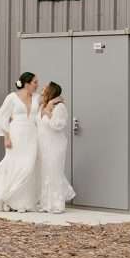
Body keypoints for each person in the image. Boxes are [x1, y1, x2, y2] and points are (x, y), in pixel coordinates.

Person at [0, 72, 40, 212]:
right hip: (16, 135)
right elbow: (1, 118)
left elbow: (41, 115)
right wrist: (7, 138)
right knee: (13, 165)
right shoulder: (12, 98)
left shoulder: (37, 98)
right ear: (27, 83)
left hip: (32, 136)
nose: (37, 85)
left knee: (29, 166)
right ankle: (7, 199)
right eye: (35, 82)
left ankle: (24, 201)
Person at [36, 81, 76, 213]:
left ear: (51, 90)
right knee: (45, 173)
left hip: (55, 145)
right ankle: (46, 204)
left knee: (54, 172)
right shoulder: (42, 105)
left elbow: (57, 125)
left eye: (45, 87)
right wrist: (47, 106)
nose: (43, 88)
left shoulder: (60, 107)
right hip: (43, 145)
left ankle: (57, 204)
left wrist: (48, 112)